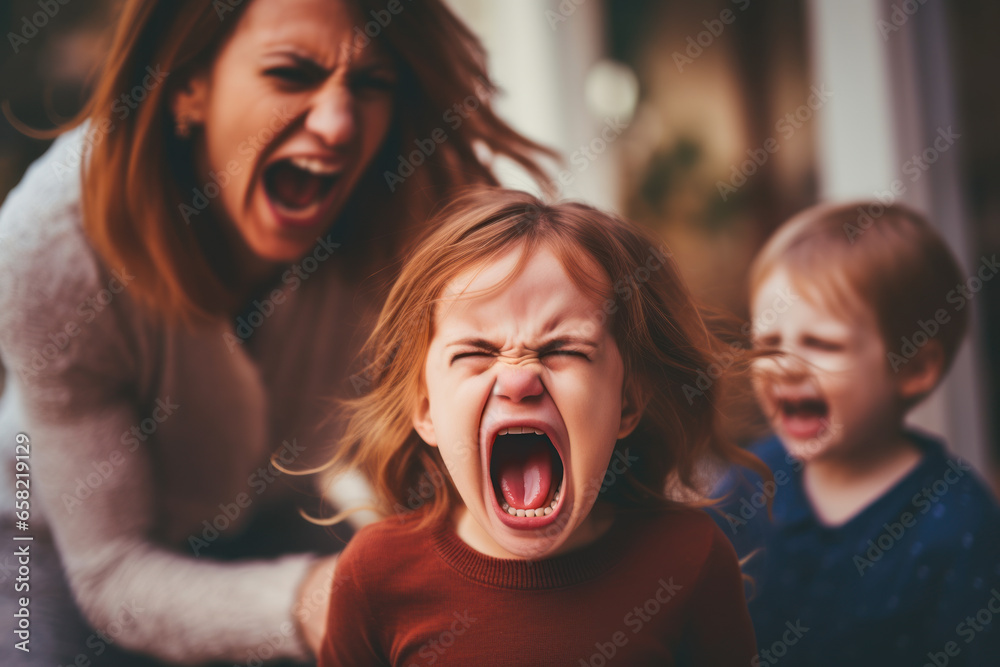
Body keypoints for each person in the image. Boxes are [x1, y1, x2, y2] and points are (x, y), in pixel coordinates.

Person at [0, 0, 552, 664]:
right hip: (55, 558)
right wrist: (324, 599)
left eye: (371, 84)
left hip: (266, 519)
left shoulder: (404, 215)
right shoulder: (50, 247)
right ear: (187, 86)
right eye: (292, 73)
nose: (338, 123)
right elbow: (114, 572)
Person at [315, 187, 762, 665]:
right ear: (425, 409)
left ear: (627, 403)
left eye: (564, 349)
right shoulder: (374, 574)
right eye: (476, 353)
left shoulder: (688, 559)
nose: (519, 378)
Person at [713, 201, 1000, 666]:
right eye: (768, 344)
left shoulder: (957, 520)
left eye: (821, 343)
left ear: (914, 367)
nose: (784, 366)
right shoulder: (749, 481)